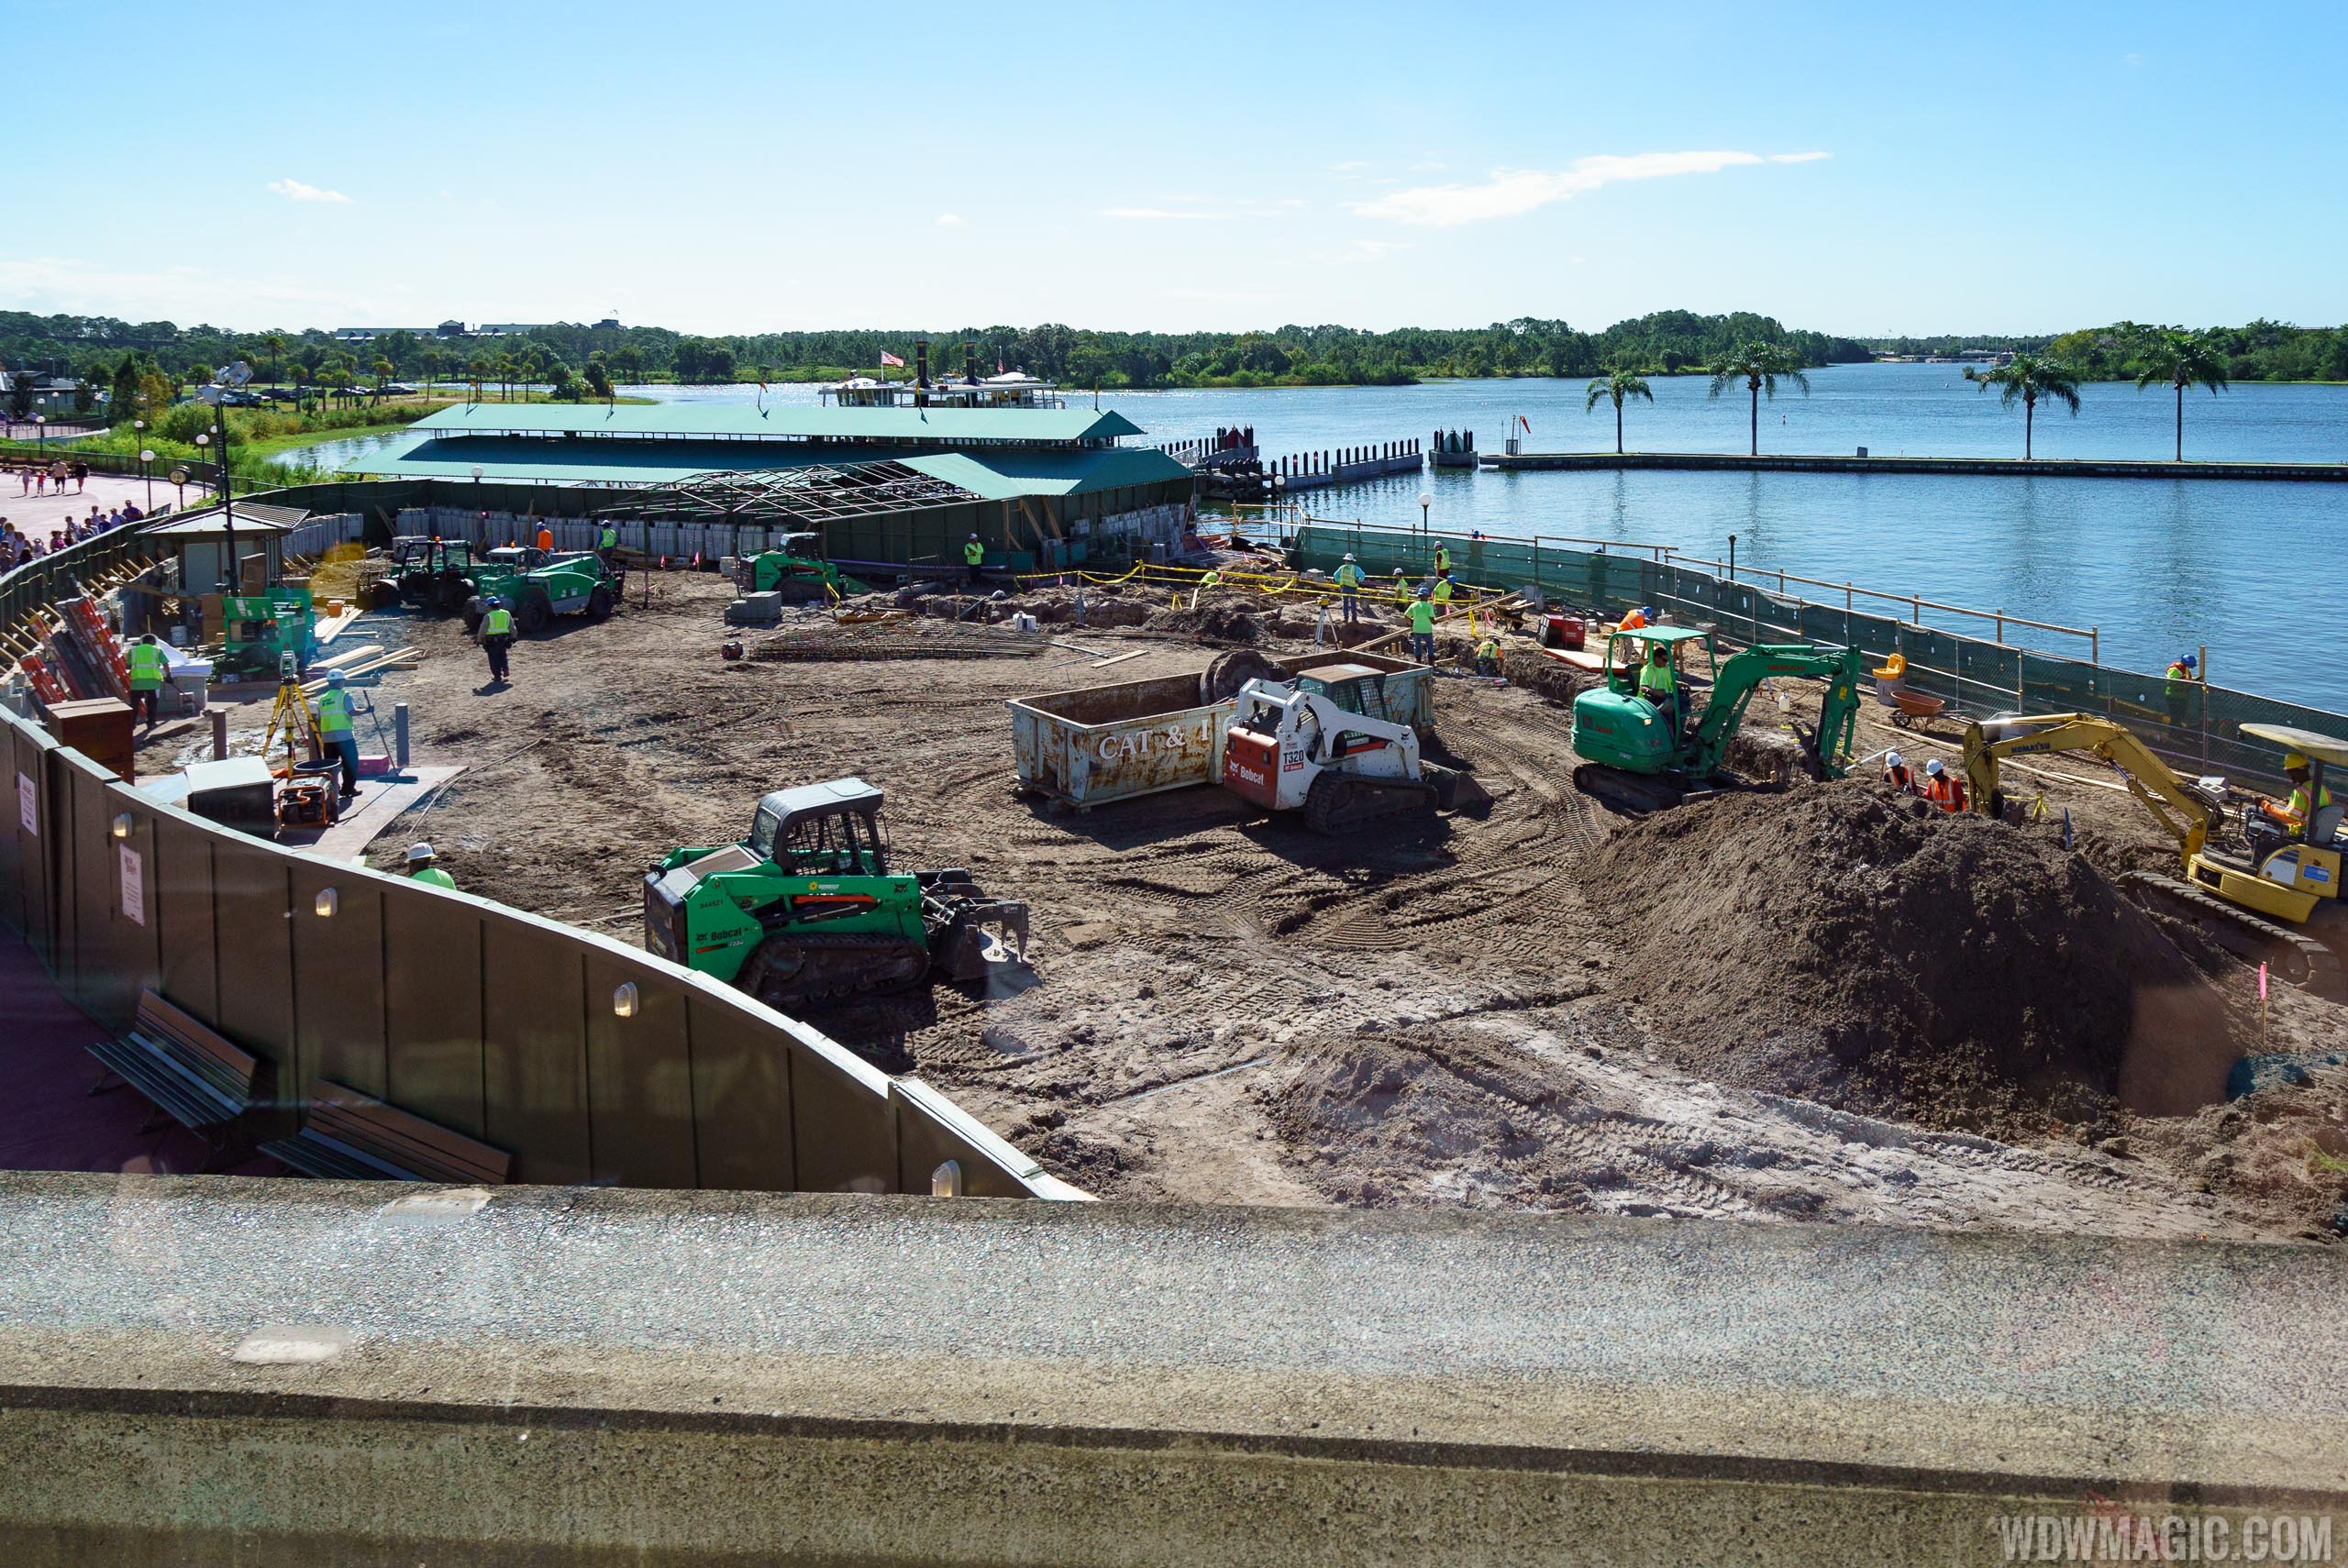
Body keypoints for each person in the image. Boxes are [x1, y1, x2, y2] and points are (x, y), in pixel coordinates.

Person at [313, 670, 360, 798]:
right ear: (340, 682)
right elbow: (352, 712)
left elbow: (318, 718)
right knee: (350, 763)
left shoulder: (323, 698)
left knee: (330, 766)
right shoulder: (344, 695)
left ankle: (331, 791)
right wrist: (366, 710)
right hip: (343, 736)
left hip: (327, 737)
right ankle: (348, 789)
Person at [127, 633, 167, 727]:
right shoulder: (157, 650)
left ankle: (132, 724)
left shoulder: (133, 650)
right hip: (151, 680)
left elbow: (128, 665)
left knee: (134, 703)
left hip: (137, 680)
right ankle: (151, 723)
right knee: (151, 703)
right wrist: (168, 676)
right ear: (153, 641)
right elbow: (165, 664)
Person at [1638, 640, 1678, 730]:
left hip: (1665, 697)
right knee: (1670, 705)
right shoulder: (1648, 670)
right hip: (1650, 699)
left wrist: (1681, 684)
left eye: (1667, 661)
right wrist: (1655, 692)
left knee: (1683, 701)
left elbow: (1671, 682)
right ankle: (1669, 731)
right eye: (1664, 660)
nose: (1665, 663)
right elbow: (1642, 687)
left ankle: (1679, 728)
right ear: (1656, 658)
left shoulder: (1666, 668)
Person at [477, 595, 515, 685]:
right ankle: (505, 669)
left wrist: (479, 640)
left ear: (489, 606)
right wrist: (514, 637)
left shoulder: (488, 616)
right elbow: (512, 627)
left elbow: (483, 630)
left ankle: (497, 676)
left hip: (492, 641)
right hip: (504, 640)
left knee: (494, 659)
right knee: (503, 655)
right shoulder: (506, 613)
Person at [2164, 654, 2198, 729]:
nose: (2189, 668)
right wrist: (2186, 685)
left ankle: (2178, 728)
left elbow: (2186, 679)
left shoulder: (2184, 669)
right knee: (2175, 716)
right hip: (2173, 696)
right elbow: (2171, 683)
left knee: (2181, 715)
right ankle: (2174, 732)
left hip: (2182, 696)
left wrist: (2195, 680)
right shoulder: (2174, 670)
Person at [1405, 588, 1437, 665]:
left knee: (1417, 646)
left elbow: (1406, 615)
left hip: (1417, 629)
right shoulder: (1429, 606)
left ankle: (1418, 662)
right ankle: (1430, 663)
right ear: (1427, 596)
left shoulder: (1414, 605)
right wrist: (1436, 622)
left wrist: (1410, 624)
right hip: (1427, 630)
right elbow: (1432, 619)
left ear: (1419, 596)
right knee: (1429, 646)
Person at [1333, 552, 1364, 624]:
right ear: (1352, 561)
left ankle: (1346, 618)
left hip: (1344, 588)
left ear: (1345, 560)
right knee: (1353, 604)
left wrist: (1339, 581)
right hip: (1353, 588)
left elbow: (1335, 575)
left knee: (1345, 603)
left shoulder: (1342, 568)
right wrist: (1359, 580)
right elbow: (1363, 575)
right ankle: (1354, 619)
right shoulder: (1356, 568)